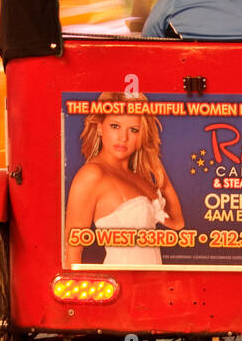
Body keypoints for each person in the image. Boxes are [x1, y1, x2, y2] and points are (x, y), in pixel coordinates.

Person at [65, 93, 184, 266]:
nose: (123, 138)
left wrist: (164, 181)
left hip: (154, 282)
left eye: (133, 130)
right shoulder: (92, 174)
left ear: (141, 135)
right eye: (115, 126)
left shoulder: (139, 179)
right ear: (100, 127)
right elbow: (72, 251)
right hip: (122, 283)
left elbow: (177, 223)